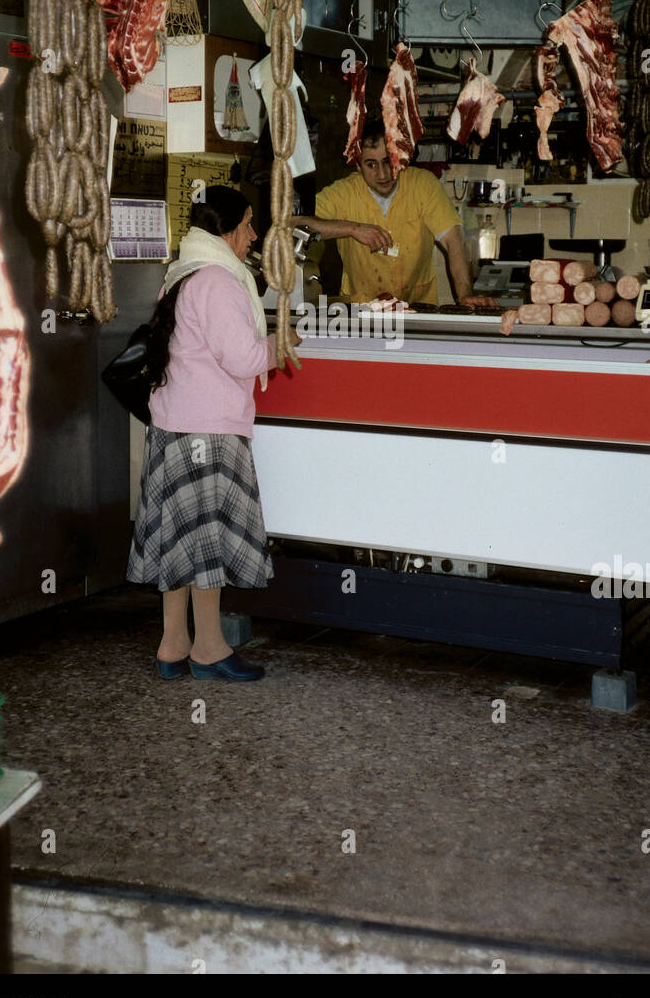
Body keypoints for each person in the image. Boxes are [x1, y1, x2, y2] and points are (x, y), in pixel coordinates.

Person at [126, 186, 301, 683]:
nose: (251, 235)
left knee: (178, 540)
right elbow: (243, 359)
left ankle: (171, 642)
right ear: (226, 230)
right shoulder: (221, 282)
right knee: (205, 542)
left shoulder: (180, 275)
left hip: (173, 427)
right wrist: (280, 343)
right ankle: (207, 647)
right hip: (208, 433)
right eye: (247, 224)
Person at [291, 120, 497, 307]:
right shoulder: (343, 193)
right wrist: (352, 229)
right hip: (361, 313)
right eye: (371, 164)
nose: (382, 174)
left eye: (388, 161)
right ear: (358, 166)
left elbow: (455, 241)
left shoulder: (424, 185)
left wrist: (465, 296)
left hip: (417, 312)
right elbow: (292, 224)